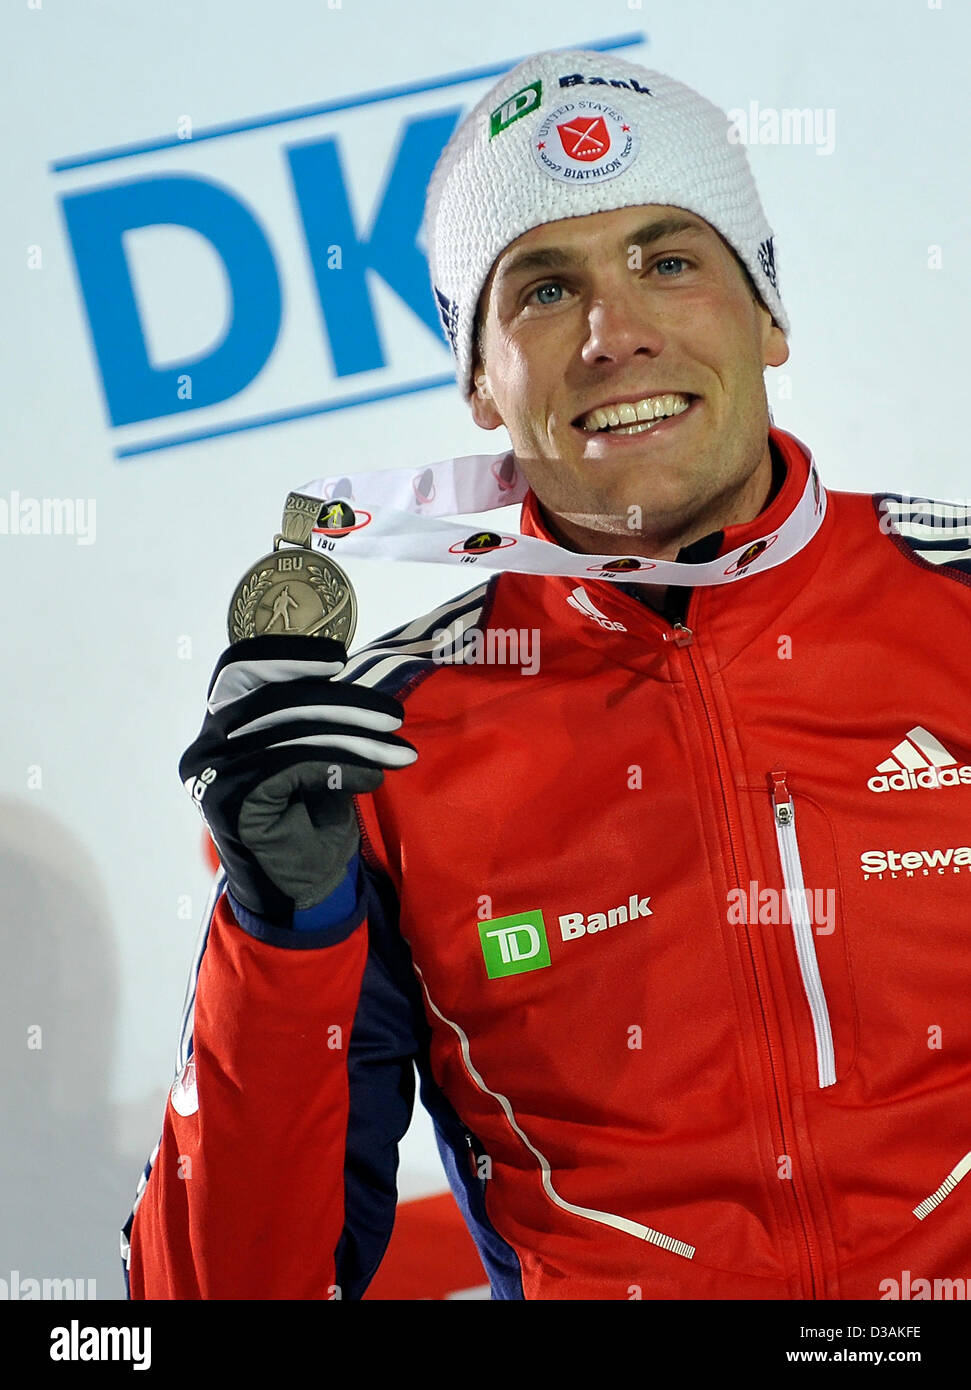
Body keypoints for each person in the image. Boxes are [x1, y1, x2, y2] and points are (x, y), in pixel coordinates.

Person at [123, 48, 971, 1301]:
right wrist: (279, 933)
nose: (613, 334)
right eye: (540, 290)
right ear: (477, 380)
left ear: (770, 312)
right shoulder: (381, 744)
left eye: (667, 260)